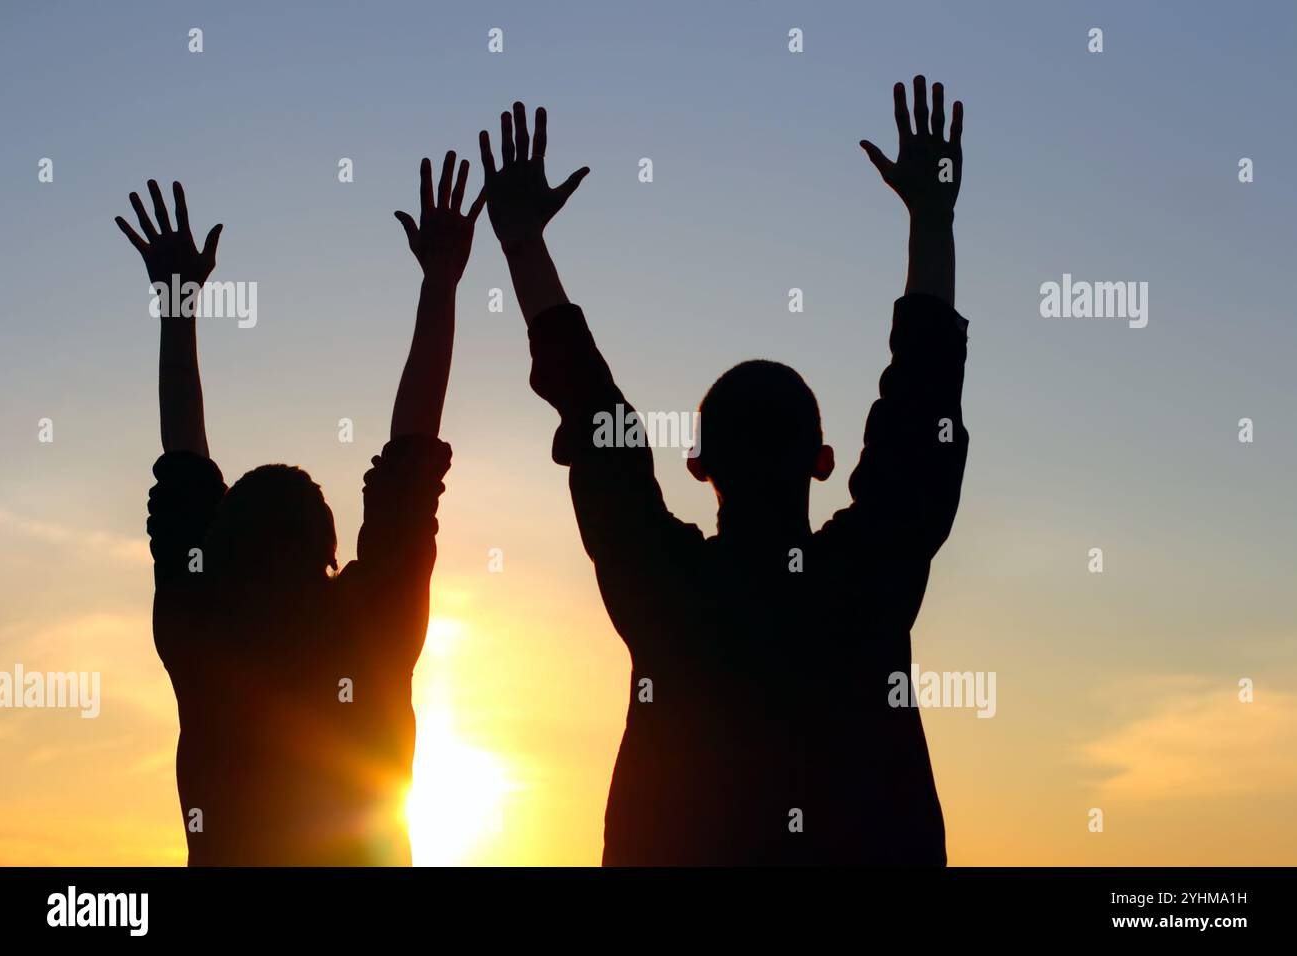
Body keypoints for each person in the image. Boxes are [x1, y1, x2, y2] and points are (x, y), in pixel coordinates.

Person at [479, 80, 969, 864]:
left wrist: (522, 244)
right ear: (824, 461)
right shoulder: (867, 579)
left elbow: (597, 422)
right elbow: (922, 402)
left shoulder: (670, 594)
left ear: (699, 465)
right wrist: (933, 219)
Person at [115, 152, 482, 864]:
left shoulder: (202, 628)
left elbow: (183, 462)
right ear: (328, 552)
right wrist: (440, 283)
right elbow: (412, 460)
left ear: (220, 548)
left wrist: (177, 304)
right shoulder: (369, 627)